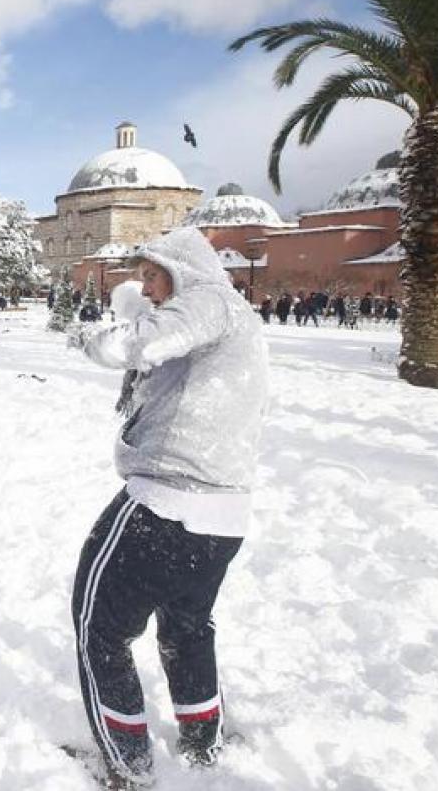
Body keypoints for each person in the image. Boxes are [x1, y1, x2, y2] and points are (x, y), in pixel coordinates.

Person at [72, 227, 268, 787]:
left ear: (182, 268)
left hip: (167, 499)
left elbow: (137, 343)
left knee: (99, 628)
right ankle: (203, 740)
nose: (149, 289)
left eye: (154, 276)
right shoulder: (233, 319)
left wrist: (98, 339)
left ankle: (126, 764)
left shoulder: (208, 300)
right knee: (186, 627)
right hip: (222, 513)